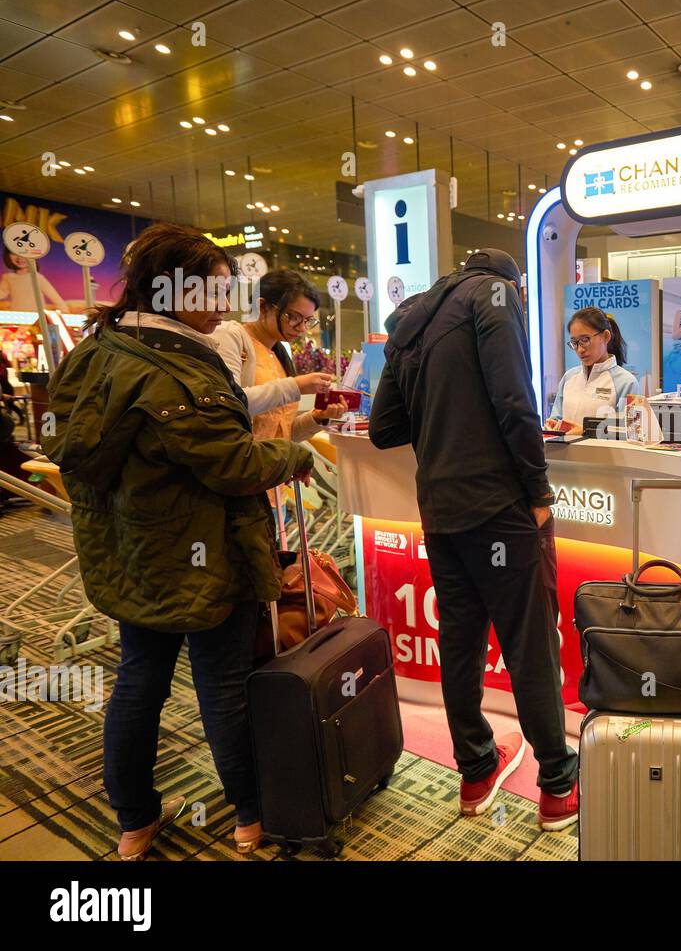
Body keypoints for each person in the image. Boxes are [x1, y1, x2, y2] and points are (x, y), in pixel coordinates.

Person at [40, 222, 314, 859]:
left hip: (131, 550)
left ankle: (134, 820)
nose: (225, 305)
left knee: (140, 681)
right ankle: (251, 815)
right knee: (222, 684)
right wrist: (289, 458)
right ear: (171, 289)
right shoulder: (180, 371)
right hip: (203, 553)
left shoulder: (100, 349)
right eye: (216, 289)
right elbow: (234, 464)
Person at [368, 248, 578, 831]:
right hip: (498, 505)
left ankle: (476, 770)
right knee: (528, 641)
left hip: (441, 510)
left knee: (460, 640)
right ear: (512, 281)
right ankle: (558, 784)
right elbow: (515, 400)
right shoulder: (495, 296)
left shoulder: (413, 318)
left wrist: (443, 421)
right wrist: (538, 491)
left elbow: (384, 428)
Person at [213, 268, 344, 443]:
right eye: (293, 317)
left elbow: (282, 434)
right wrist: (295, 386)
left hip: (273, 466)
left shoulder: (278, 353)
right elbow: (231, 404)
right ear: (262, 306)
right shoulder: (231, 336)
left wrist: (318, 417)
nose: (302, 328)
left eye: (308, 320)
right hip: (243, 466)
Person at [546, 306, 637, 433]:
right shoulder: (569, 377)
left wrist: (585, 432)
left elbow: (629, 431)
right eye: (574, 342)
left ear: (605, 336)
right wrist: (553, 423)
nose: (580, 349)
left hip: (602, 453)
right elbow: (557, 416)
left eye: (585, 340)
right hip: (564, 452)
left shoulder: (626, 382)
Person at [0, 249, 70, 315]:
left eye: (24, 253)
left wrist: (65, 311)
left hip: (37, 316)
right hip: (17, 315)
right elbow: (2, 293)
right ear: (8, 255)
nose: (20, 257)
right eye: (14, 253)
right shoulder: (8, 277)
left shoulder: (37, 277)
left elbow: (54, 296)